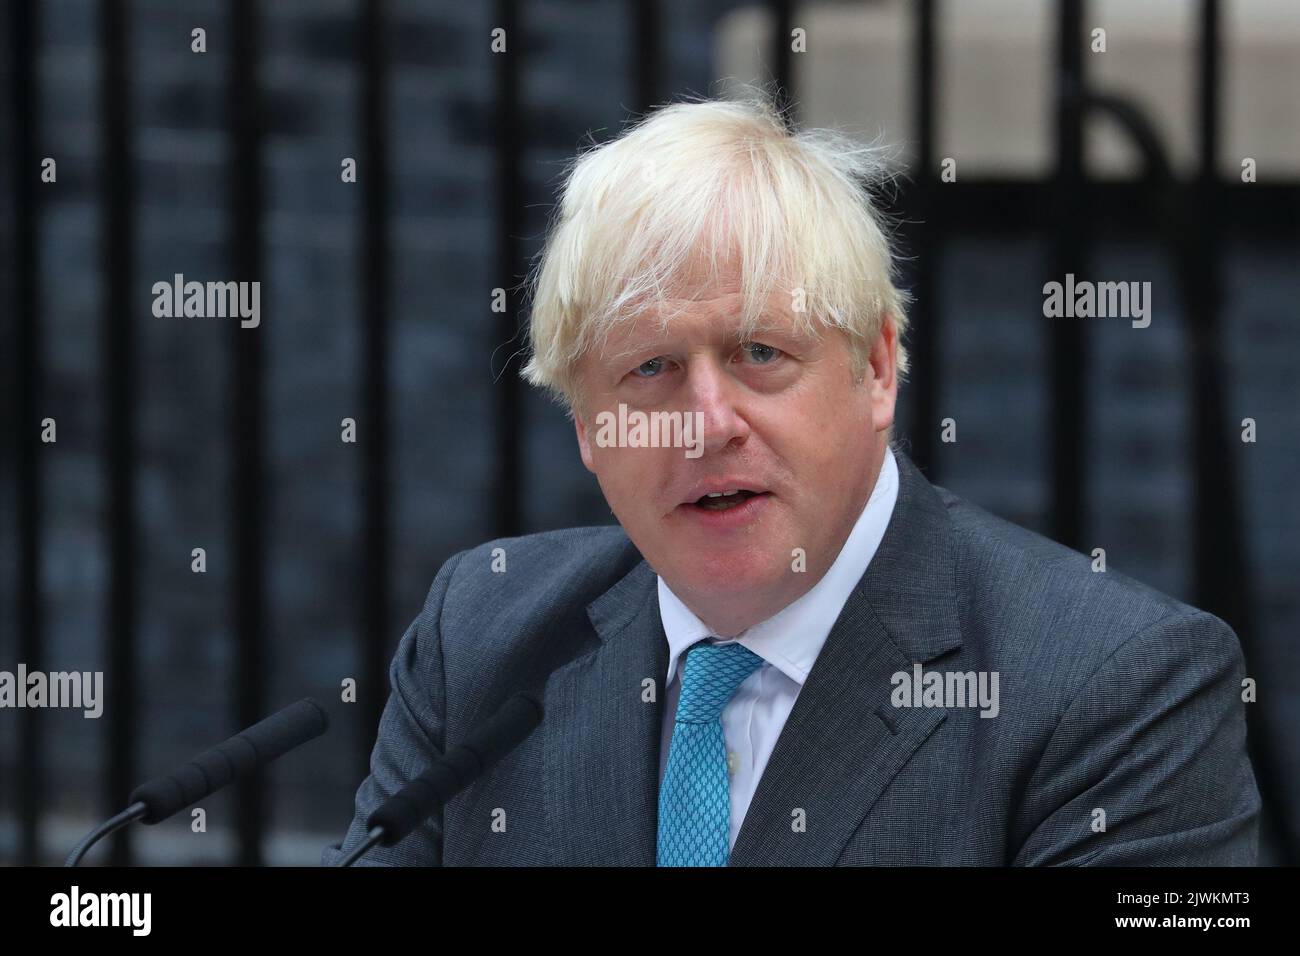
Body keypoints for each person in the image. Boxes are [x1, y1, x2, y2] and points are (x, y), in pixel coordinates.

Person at [323, 93, 1259, 866]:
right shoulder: (482, 638)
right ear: (585, 425)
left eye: (761, 353)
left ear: (879, 368)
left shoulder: (1116, 685)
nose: (707, 423)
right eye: (648, 370)